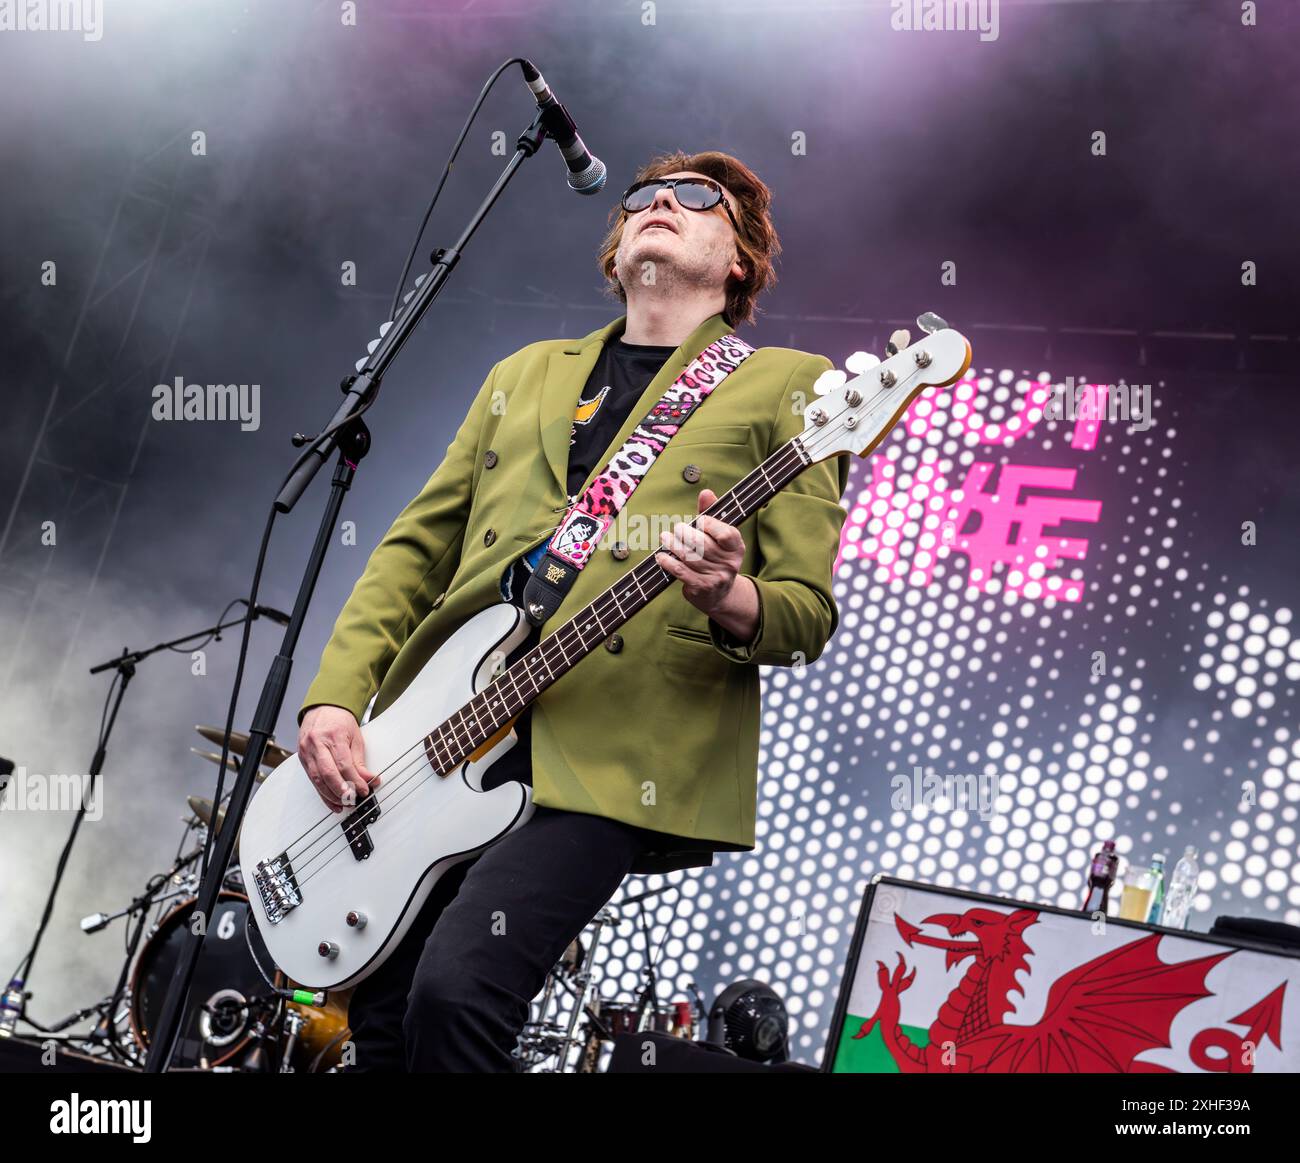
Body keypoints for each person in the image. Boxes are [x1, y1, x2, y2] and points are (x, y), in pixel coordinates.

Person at [296, 149, 850, 1071]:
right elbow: (412, 553)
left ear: (740, 259)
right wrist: (333, 697)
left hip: (610, 756)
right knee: (385, 1013)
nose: (660, 204)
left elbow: (805, 612)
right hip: (444, 736)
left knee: (456, 991)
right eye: (643, 198)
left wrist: (727, 592)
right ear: (617, 242)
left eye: (696, 200)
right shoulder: (525, 373)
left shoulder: (789, 383)